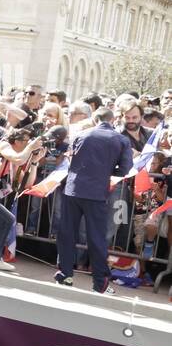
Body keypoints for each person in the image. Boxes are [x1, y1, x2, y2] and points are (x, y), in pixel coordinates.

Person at [55, 107, 133, 294]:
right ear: (112, 120)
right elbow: (125, 169)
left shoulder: (81, 134)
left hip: (73, 190)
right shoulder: (121, 139)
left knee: (66, 234)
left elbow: (70, 159)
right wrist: (107, 172)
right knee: (96, 238)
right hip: (96, 193)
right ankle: (100, 282)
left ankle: (65, 274)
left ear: (95, 119)